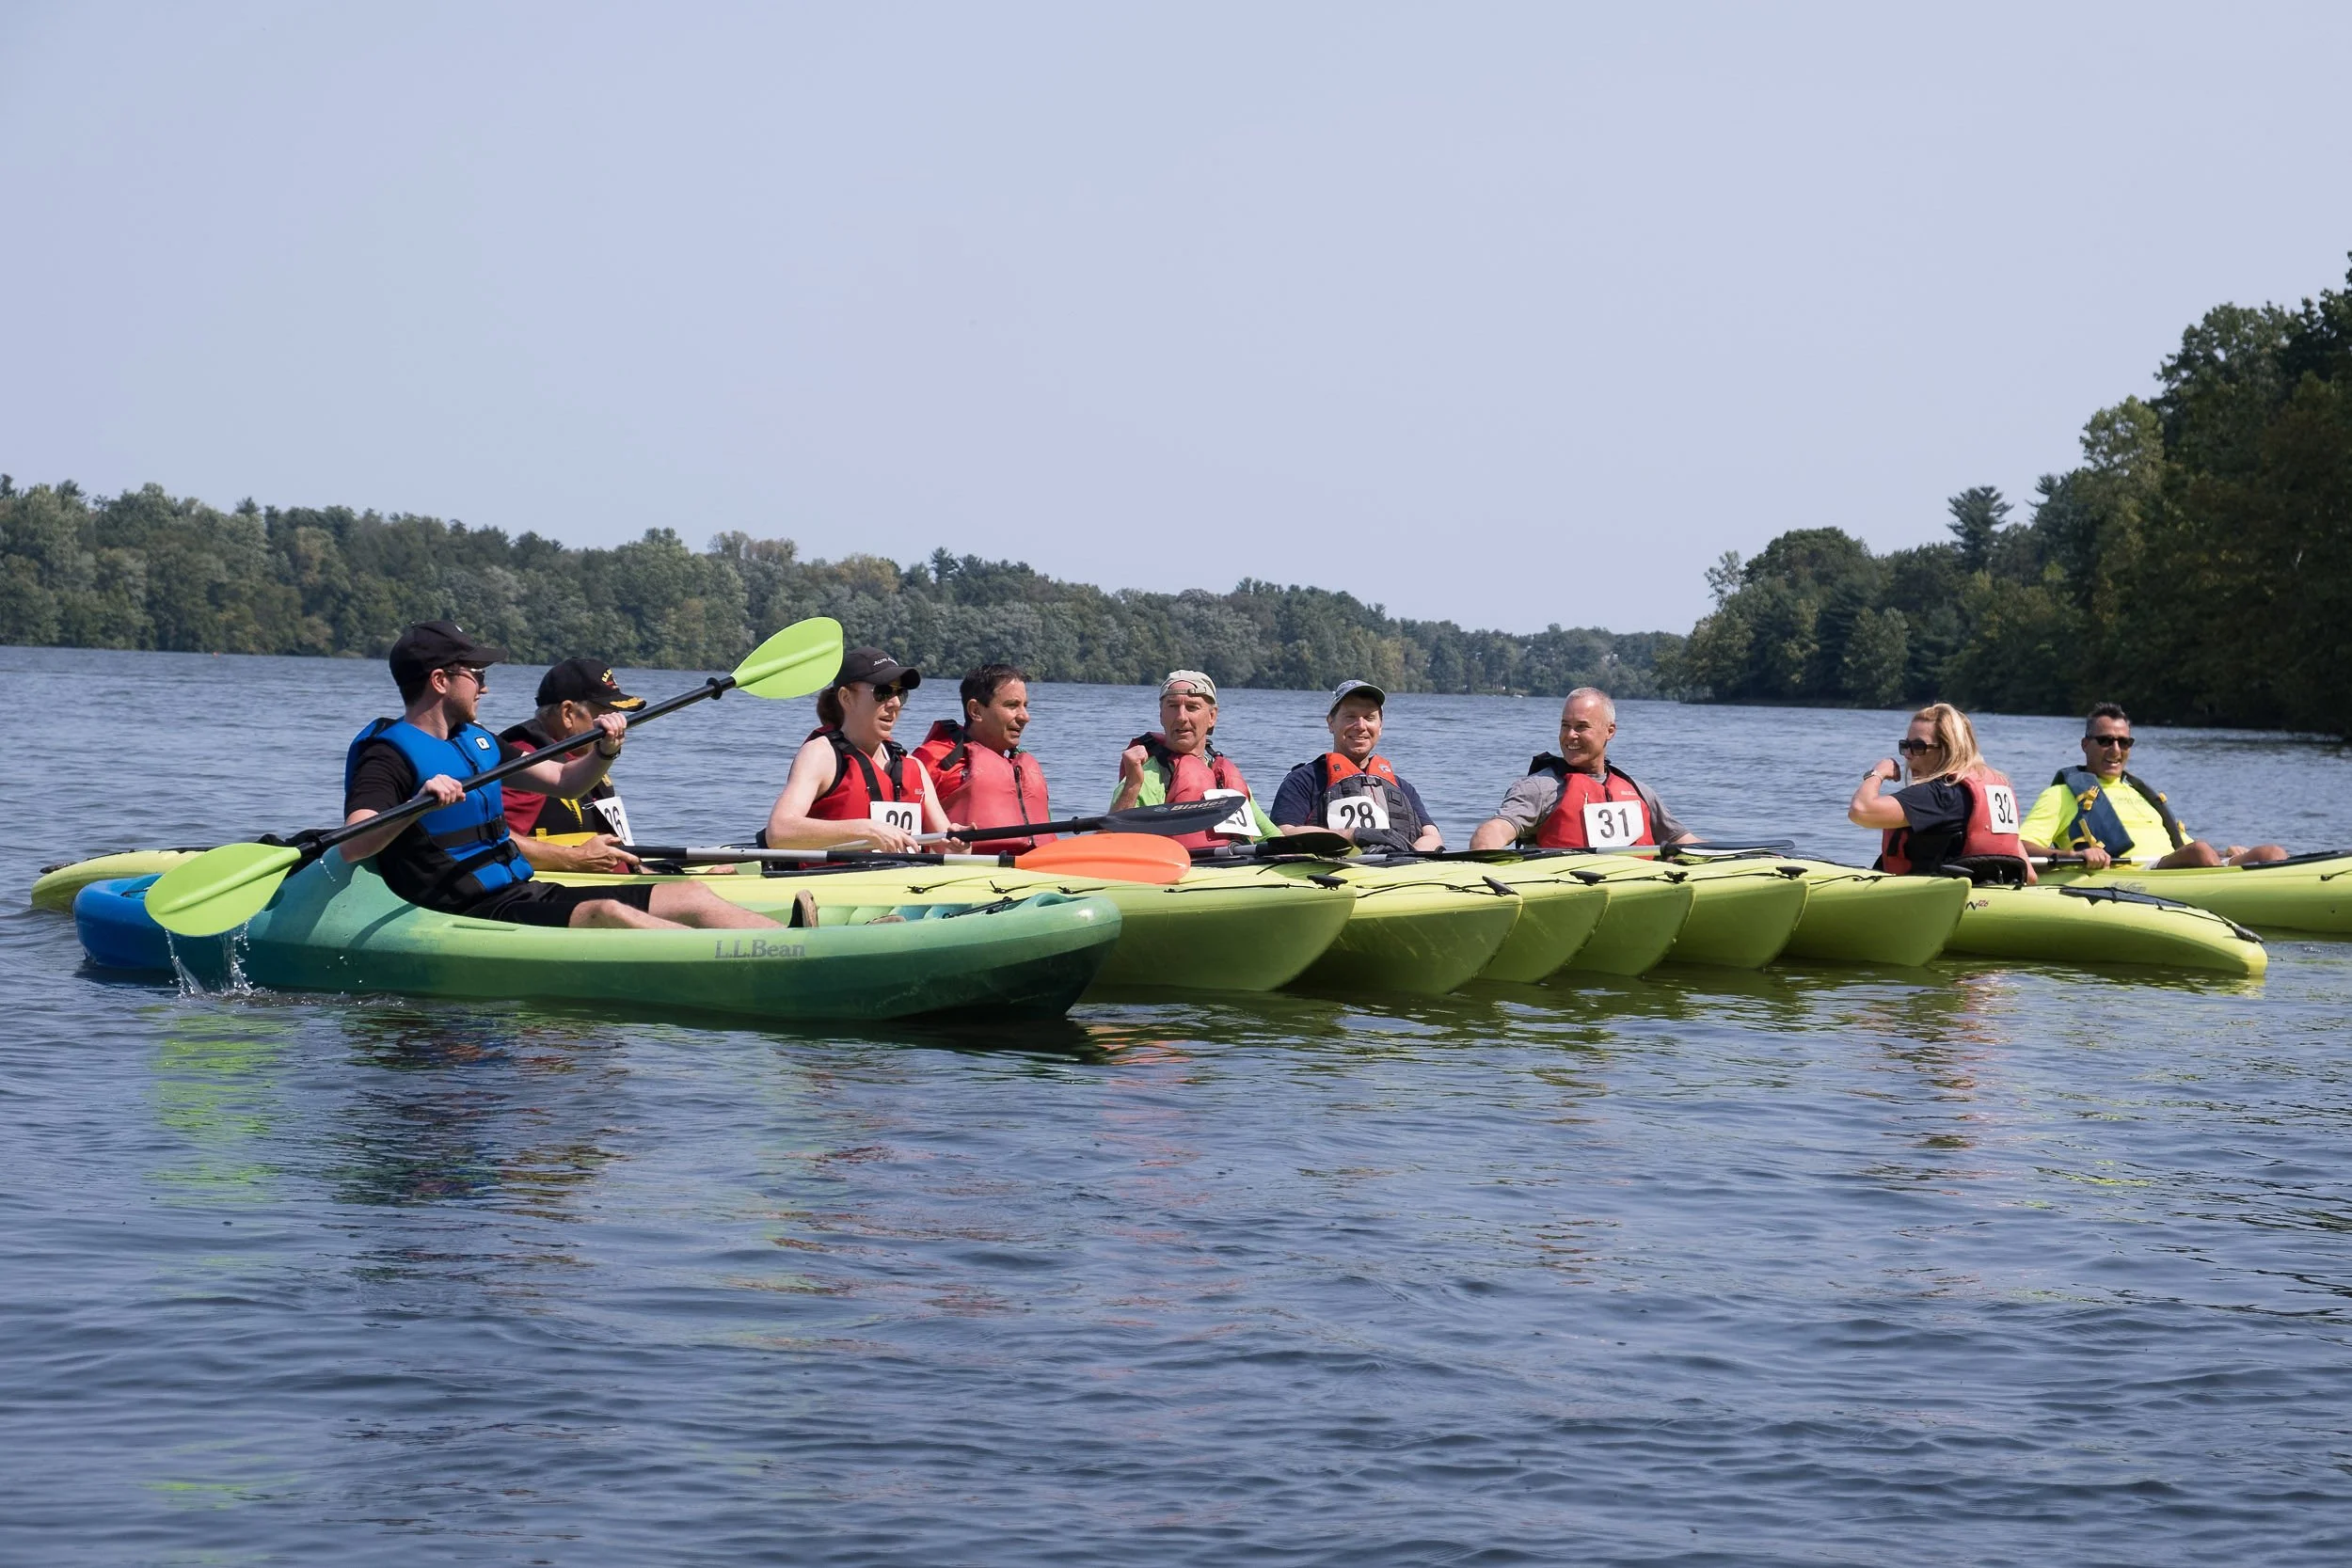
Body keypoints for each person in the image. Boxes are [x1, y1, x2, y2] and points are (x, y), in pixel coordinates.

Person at [340, 621, 780, 929]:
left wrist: (606, 749)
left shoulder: (477, 741)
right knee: (607, 913)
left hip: (518, 890)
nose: (485, 686)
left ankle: (797, 945)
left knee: (690, 896)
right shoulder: (387, 755)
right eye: (476, 674)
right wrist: (417, 804)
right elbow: (354, 843)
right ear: (440, 680)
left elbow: (566, 781)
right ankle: (755, 964)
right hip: (466, 910)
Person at [2018, 702, 2287, 870]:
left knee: (2272, 853)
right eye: (2105, 741)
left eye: (2124, 742)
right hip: (2138, 876)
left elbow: (2184, 847)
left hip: (2184, 865)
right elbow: (2021, 846)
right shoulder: (2061, 794)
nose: (2116, 750)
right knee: (2201, 851)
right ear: (2085, 745)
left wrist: (2224, 853)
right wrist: (2073, 855)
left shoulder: (2140, 794)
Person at [765, 646, 958, 852]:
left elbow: (951, 850)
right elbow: (779, 832)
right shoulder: (820, 755)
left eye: (900, 694)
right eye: (883, 692)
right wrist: (865, 829)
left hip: (903, 873)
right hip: (835, 873)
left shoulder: (914, 766)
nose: (895, 703)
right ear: (846, 698)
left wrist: (959, 841)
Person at [1468, 688, 1695, 852]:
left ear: (1610, 731)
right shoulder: (1539, 788)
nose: (1570, 735)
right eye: (1565, 726)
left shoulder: (1640, 792)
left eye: (1581, 727)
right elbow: (1493, 832)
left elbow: (1687, 842)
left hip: (1635, 888)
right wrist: (1485, 854)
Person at [1846, 701, 2033, 882]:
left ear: (1948, 750)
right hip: (1996, 885)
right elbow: (2030, 875)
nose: (1908, 755)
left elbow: (1861, 811)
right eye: (1905, 746)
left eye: (1918, 747)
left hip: (1936, 894)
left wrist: (1877, 773)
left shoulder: (1940, 794)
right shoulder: (1996, 790)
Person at [501, 657, 644, 874]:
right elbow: (494, 843)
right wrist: (574, 859)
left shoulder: (586, 758)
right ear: (568, 713)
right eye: (605, 714)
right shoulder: (529, 764)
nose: (617, 724)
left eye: (617, 715)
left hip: (610, 879)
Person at [1110, 670, 1277, 852]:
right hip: (1176, 868)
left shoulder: (1225, 778)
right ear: (1161, 715)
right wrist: (1133, 785)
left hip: (1234, 866)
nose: (1181, 717)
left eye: (1192, 707)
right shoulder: (1146, 778)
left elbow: (1273, 838)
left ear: (1212, 717)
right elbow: (1111, 844)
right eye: (1173, 706)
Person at [1268, 679, 1443, 852]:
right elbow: (1283, 832)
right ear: (1331, 723)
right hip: (1332, 866)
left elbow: (1432, 836)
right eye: (1350, 717)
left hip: (1399, 866)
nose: (1360, 726)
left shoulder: (1402, 787)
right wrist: (1355, 835)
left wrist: (1410, 854)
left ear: (1380, 726)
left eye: (1369, 718)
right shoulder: (1303, 781)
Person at [912, 663, 1053, 852]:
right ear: (976, 711)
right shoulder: (936, 760)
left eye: (1025, 706)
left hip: (1037, 866)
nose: (1025, 717)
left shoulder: (1023, 767)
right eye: (1012, 705)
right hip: (967, 866)